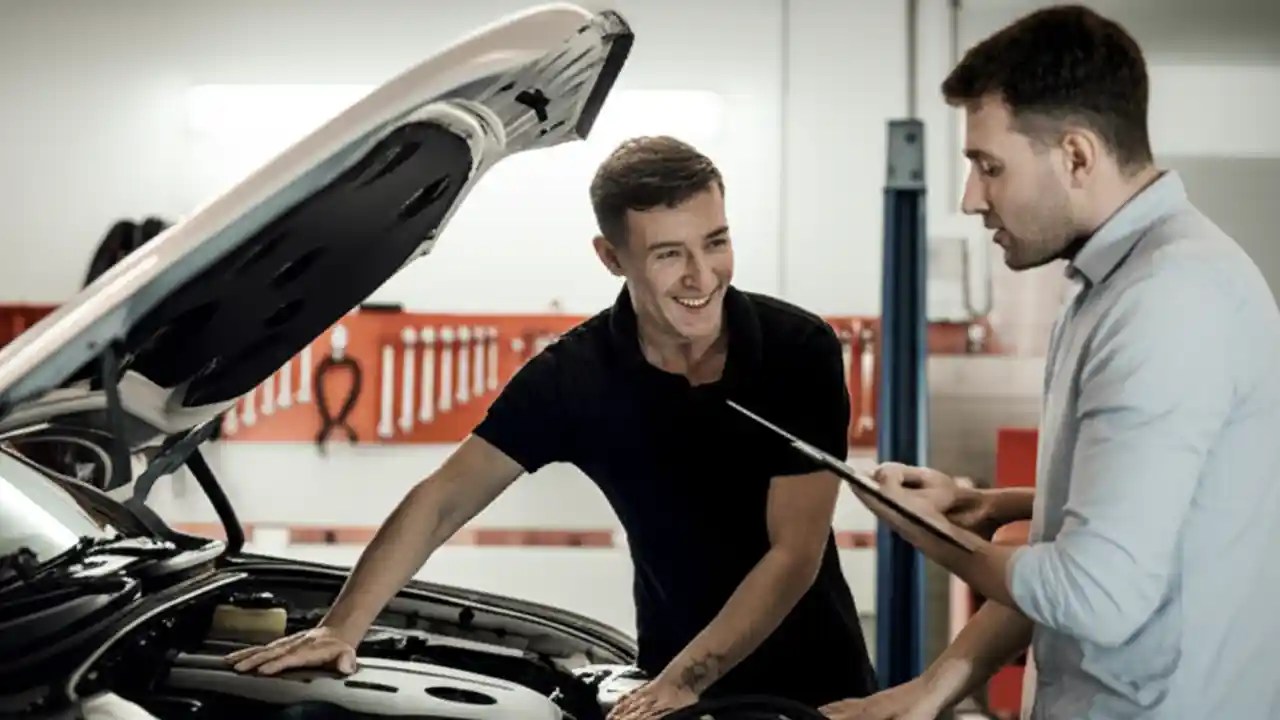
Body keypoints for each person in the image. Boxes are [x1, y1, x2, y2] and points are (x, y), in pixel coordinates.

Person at [225, 135, 879, 717]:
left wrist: (687, 679)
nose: (701, 277)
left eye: (716, 242)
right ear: (611, 256)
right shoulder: (576, 376)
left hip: (818, 691)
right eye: (669, 254)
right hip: (669, 697)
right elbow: (442, 499)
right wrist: (344, 627)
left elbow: (794, 553)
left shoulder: (798, 350)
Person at [819, 5, 1280, 720]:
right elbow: (1119, 519)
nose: (971, 198)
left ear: (1075, 156)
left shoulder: (1169, 304)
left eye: (987, 166)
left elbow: (1091, 591)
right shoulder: (1112, 288)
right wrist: (990, 512)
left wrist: (932, 536)